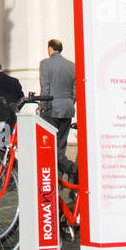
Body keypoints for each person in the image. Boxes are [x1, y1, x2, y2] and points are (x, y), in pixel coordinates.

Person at [39, 39, 76, 171]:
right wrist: (69, 103)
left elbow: (45, 88)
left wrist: (42, 107)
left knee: (49, 145)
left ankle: (71, 168)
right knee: (61, 145)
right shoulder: (72, 66)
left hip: (51, 109)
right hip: (67, 109)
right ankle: (60, 178)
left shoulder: (45, 64)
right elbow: (75, 91)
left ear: (50, 49)